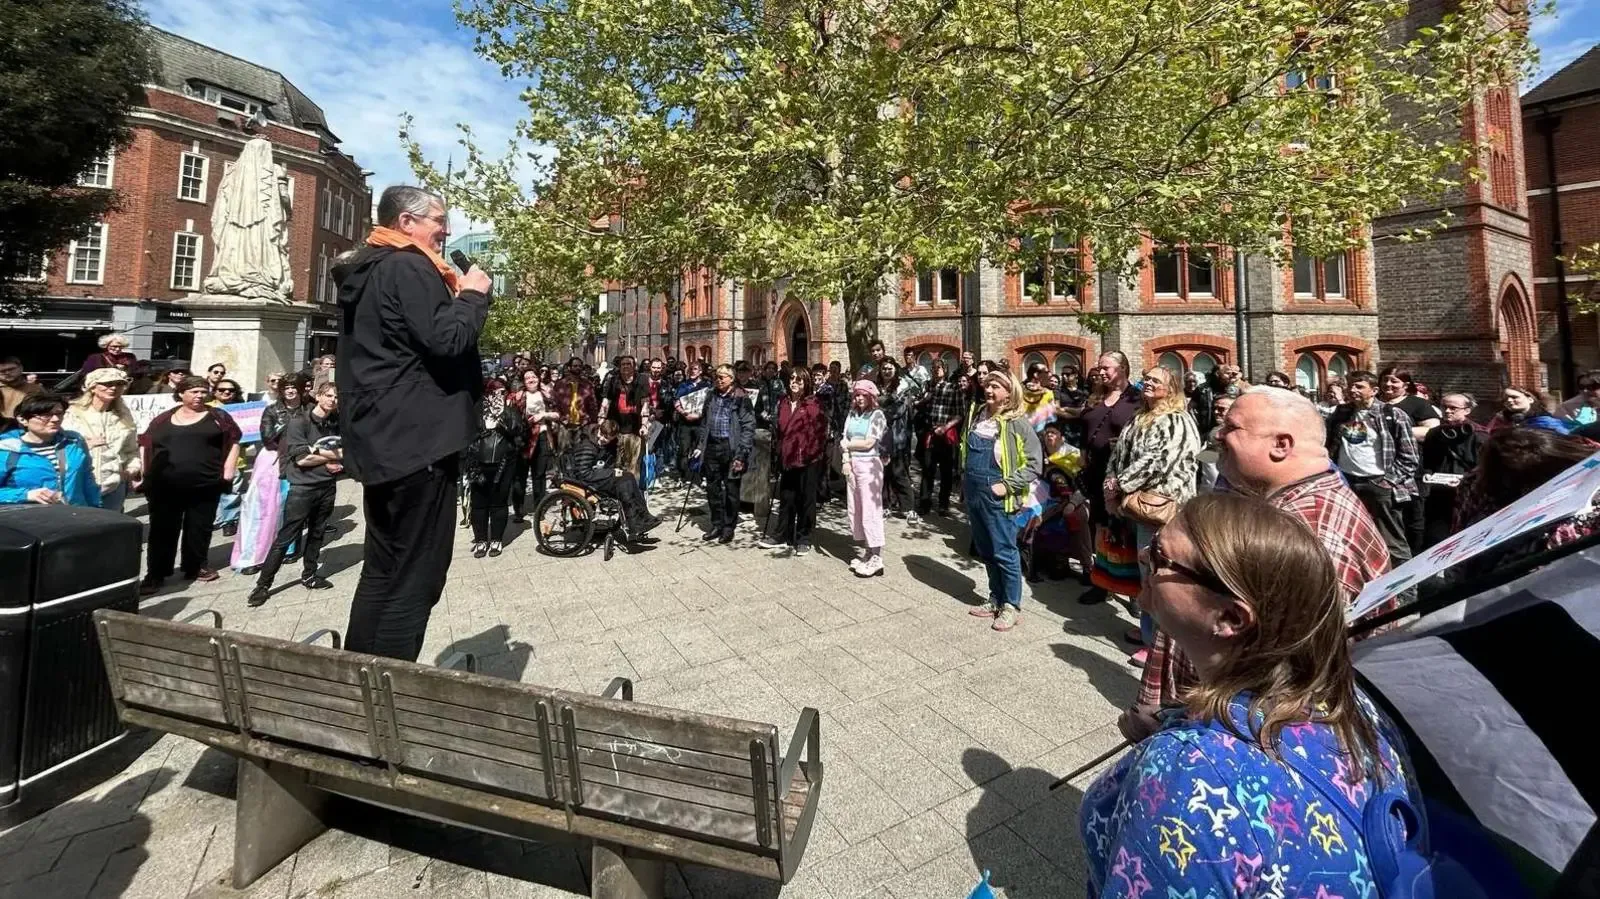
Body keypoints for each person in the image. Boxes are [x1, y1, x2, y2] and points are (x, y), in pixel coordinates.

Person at [1081, 493, 1413, 899]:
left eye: (1163, 557)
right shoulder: (1352, 705)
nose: (1146, 556)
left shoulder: (1190, 772)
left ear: (1231, 618)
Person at [1132, 386, 1392, 716]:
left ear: (1281, 445)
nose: (1218, 437)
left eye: (1232, 428)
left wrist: (1180, 723)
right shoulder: (1278, 509)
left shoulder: (1311, 536)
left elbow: (1282, 689)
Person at [334, 185, 492, 662]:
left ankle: (358, 678)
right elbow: (448, 340)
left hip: (385, 442)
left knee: (382, 567)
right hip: (419, 442)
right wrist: (472, 297)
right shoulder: (409, 265)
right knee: (418, 574)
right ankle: (392, 697)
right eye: (438, 220)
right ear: (406, 222)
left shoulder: (369, 269)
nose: (445, 230)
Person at [1106, 365, 1202, 664]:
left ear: (1170, 388)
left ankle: (1160, 643)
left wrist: (1120, 484)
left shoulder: (1176, 419)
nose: (1147, 383)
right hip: (1137, 502)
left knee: (1159, 573)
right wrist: (1111, 483)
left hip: (1162, 506)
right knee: (1145, 571)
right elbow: (1119, 454)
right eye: (1146, 379)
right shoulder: (1140, 416)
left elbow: (1159, 459)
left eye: (1155, 380)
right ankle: (1148, 628)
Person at [139, 376, 242, 594]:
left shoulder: (218, 416)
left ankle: (195, 566)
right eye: (194, 392)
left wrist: (228, 471)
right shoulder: (163, 419)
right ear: (182, 394)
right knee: (162, 530)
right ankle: (156, 573)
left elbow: (234, 440)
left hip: (205, 484)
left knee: (199, 527)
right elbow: (145, 444)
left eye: (203, 392)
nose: (199, 396)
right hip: (165, 485)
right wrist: (143, 473)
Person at [960, 370, 1043, 630]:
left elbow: (1034, 463)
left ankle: (1011, 605)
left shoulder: (1016, 422)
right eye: (987, 385)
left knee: (1004, 551)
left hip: (998, 496)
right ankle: (995, 597)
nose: (989, 389)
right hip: (974, 492)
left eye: (996, 386)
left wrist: (1006, 486)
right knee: (985, 549)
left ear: (1009, 392)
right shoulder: (977, 414)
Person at [247, 383, 343, 606]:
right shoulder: (299, 422)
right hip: (302, 488)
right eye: (328, 396)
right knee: (286, 537)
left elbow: (341, 450)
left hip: (327, 486)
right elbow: (302, 458)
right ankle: (263, 585)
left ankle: (309, 574)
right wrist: (334, 455)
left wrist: (325, 455)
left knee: (318, 533)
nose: (332, 400)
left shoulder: (335, 422)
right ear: (318, 396)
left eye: (336, 397)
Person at [1325, 370, 1419, 569]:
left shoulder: (1392, 415)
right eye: (1350, 385)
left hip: (1378, 483)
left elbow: (1409, 457)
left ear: (1374, 390)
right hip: (1346, 482)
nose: (1352, 390)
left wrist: (1387, 483)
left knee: (1392, 540)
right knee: (1349, 535)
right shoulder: (1342, 413)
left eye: (1359, 386)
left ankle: (1405, 591)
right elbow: (1329, 445)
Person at [1079, 352, 1143, 605]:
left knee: (1127, 531)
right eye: (1099, 368)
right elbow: (1085, 430)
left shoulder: (1137, 400)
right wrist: (1083, 456)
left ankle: (1135, 592)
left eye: (1106, 368)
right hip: (1096, 474)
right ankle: (1102, 582)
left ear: (1123, 368)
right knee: (1100, 528)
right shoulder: (1096, 396)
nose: (1101, 372)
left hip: (1123, 477)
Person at [235, 374, 308, 572]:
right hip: (274, 461)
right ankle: (257, 553)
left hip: (302, 460)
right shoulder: (272, 409)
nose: (291, 391)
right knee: (265, 507)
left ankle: (290, 548)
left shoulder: (307, 409)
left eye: (295, 387)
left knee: (293, 505)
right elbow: (267, 438)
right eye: (287, 387)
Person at [759, 366, 828, 554]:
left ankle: (803, 537)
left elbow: (821, 434)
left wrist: (811, 454)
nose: (794, 383)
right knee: (787, 497)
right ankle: (783, 534)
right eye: (792, 379)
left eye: (799, 380)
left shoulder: (814, 404)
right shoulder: (783, 402)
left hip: (808, 460)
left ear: (806, 383)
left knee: (806, 500)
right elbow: (779, 430)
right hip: (787, 458)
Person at [566, 420, 662, 541]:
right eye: (603, 436)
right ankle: (635, 523)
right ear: (599, 431)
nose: (603, 439)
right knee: (623, 482)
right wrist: (612, 473)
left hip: (597, 476)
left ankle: (643, 517)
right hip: (586, 480)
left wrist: (614, 470)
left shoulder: (604, 444)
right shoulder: (587, 446)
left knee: (628, 477)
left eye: (608, 438)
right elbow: (583, 473)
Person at [0, 393, 101, 507]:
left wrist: (96, 509)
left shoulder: (74, 441)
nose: (55, 419)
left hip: (75, 515)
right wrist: (25, 495)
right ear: (23, 419)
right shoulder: (6, 449)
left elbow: (87, 479)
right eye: (46, 415)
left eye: (59, 413)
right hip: (29, 519)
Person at [62, 368, 141, 512]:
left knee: (110, 529)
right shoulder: (73, 413)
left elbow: (131, 450)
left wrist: (131, 470)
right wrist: (86, 444)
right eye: (107, 384)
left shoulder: (123, 415)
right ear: (93, 387)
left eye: (118, 384)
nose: (113, 388)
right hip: (79, 485)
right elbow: (59, 446)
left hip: (113, 487)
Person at [693, 364, 755, 543]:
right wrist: (700, 445)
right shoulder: (711, 394)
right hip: (712, 446)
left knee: (731, 490)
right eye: (717, 376)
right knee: (712, 488)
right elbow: (704, 421)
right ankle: (716, 524)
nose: (718, 379)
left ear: (731, 378)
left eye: (722, 377)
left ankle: (729, 527)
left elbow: (748, 427)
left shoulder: (741, 397)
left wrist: (742, 454)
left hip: (731, 448)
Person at [465, 378, 527, 558]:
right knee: (478, 503)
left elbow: (519, 434)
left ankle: (497, 539)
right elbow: (466, 432)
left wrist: (504, 417)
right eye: (494, 392)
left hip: (503, 464)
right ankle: (481, 540)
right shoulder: (476, 410)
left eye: (501, 393)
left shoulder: (511, 411)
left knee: (498, 502)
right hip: (478, 463)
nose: (498, 396)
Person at [1420, 392, 1485, 548]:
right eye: (1444, 407)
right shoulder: (1434, 434)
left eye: (1453, 408)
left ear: (1467, 410)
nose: (1447, 411)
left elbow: (1484, 466)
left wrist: (1466, 478)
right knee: (1436, 534)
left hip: (1468, 494)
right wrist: (1427, 474)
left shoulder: (1479, 435)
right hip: (1439, 492)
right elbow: (1427, 460)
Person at [841, 380, 889, 575]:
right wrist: (845, 460)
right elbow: (844, 436)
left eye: (863, 395)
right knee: (856, 509)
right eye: (856, 395)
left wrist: (848, 445)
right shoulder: (852, 413)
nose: (859, 398)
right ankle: (868, 552)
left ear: (871, 397)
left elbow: (869, 443)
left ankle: (877, 556)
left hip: (869, 465)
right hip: (852, 465)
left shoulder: (877, 415)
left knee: (870, 510)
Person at [510, 367, 558, 521]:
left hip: (542, 436)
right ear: (524, 381)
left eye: (533, 376)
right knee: (520, 476)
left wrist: (543, 415)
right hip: (523, 439)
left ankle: (539, 509)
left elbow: (558, 414)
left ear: (539, 378)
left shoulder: (547, 394)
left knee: (539, 475)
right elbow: (510, 416)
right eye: (527, 378)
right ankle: (518, 510)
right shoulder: (518, 396)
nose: (531, 379)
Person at [917, 359, 963, 516]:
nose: (936, 370)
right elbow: (917, 404)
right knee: (927, 469)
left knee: (945, 471)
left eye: (940, 368)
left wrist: (946, 427)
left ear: (945, 370)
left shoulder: (953, 387)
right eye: (934, 368)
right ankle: (924, 502)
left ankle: (943, 503)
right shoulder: (927, 386)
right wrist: (924, 400)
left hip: (945, 434)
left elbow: (959, 413)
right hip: (929, 433)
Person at [875, 358, 919, 520]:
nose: (887, 371)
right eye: (884, 368)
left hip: (897, 437)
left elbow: (898, 410)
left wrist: (879, 411)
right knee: (882, 474)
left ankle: (907, 507)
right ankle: (885, 505)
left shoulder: (902, 387)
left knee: (899, 473)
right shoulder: (877, 386)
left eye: (890, 368)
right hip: (879, 437)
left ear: (895, 370)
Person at [600, 355, 649, 479]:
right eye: (623, 364)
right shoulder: (613, 381)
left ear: (634, 367)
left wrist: (644, 424)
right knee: (615, 465)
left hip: (634, 430)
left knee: (632, 466)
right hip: (616, 430)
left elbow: (645, 403)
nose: (626, 366)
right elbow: (606, 402)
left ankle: (632, 491)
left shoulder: (641, 381)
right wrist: (600, 421)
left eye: (629, 364)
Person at [551, 356, 600, 457]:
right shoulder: (560, 384)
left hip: (582, 425)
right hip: (565, 424)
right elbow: (554, 404)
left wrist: (594, 422)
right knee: (563, 454)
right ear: (569, 367)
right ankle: (563, 472)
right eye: (575, 366)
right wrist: (560, 418)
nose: (577, 368)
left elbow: (593, 405)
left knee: (580, 453)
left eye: (579, 366)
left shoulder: (587, 385)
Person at [0, 357, 41, 421]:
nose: (7, 373)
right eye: (2, 371)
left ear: (21, 368)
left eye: (11, 369)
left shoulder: (36, 389)